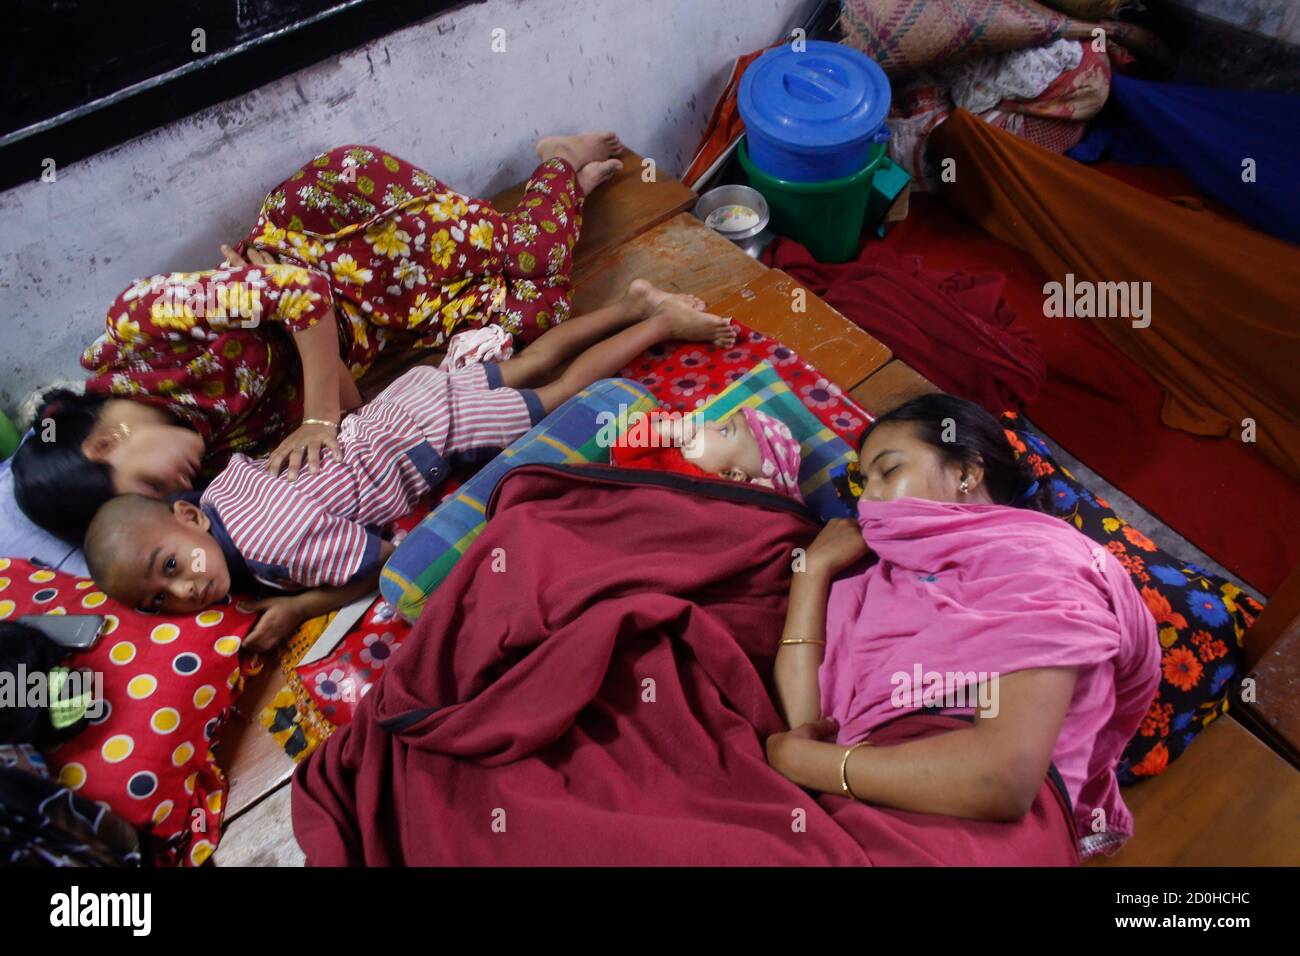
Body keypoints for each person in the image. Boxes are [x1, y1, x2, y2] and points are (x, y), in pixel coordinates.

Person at [14, 133, 627, 541]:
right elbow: (351, 406)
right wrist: (324, 393)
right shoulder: (213, 454)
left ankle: (562, 161)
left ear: (104, 444)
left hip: (345, 229)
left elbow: (305, 293)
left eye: (150, 484)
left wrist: (315, 417)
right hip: (378, 323)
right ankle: (565, 197)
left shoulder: (139, 324)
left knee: (530, 250)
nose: (179, 487)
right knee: (526, 323)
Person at [82, 282, 735, 650]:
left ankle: (658, 326)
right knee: (529, 364)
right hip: (400, 404)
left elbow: (384, 563)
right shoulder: (227, 485)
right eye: (160, 602)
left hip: (430, 436)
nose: (186, 592)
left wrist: (301, 605)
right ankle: (630, 302)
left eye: (171, 567)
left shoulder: (266, 543)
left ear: (189, 516)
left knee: (555, 397)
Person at [764, 393, 1160, 858]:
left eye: (889, 471)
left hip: (963, 831)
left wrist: (814, 764)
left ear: (966, 472)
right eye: (862, 484)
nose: (868, 499)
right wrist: (810, 575)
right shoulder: (879, 582)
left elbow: (998, 778)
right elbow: (807, 721)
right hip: (857, 801)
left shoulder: (1036, 561)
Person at [611, 407, 804, 499]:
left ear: (732, 475)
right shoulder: (667, 448)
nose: (709, 423)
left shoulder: (724, 500)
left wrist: (761, 500)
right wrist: (664, 430)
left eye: (724, 430)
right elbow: (622, 453)